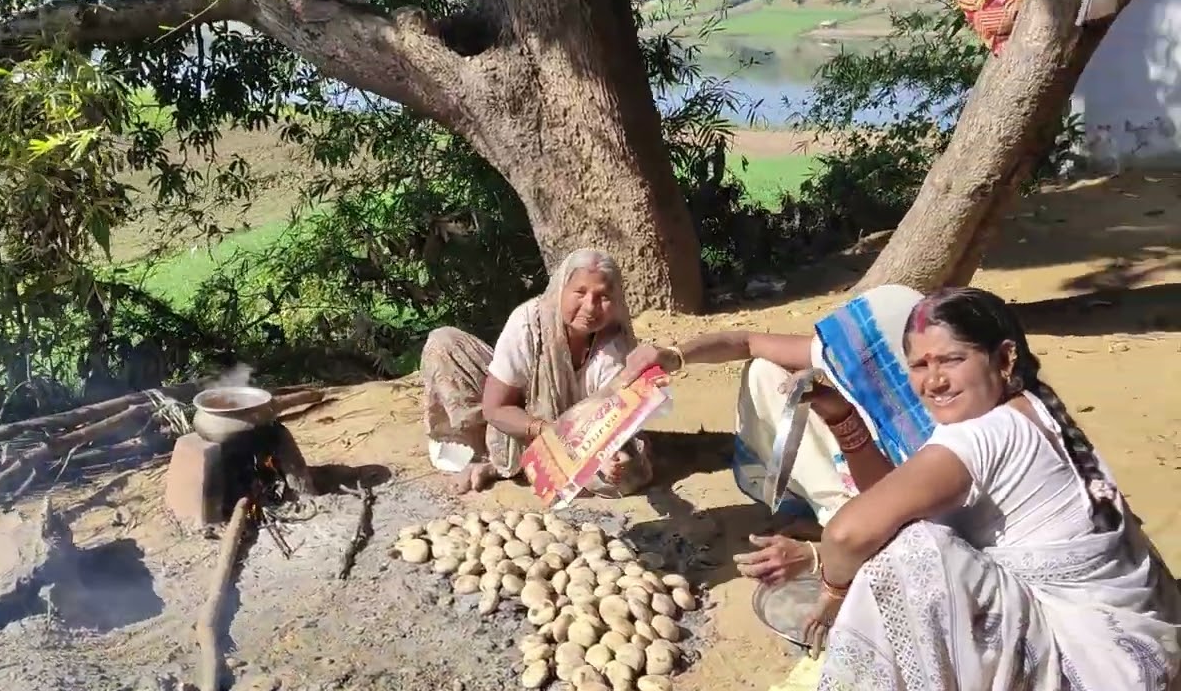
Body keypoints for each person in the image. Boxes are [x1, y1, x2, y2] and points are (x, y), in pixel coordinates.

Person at [794, 287, 1181, 685]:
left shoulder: (983, 435)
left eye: (951, 360)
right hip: (1136, 654)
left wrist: (834, 596)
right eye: (919, 365)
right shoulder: (1031, 405)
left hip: (1086, 667)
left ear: (1003, 359)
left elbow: (846, 535)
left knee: (908, 555)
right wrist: (845, 419)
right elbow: (889, 498)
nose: (934, 381)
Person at [621, 285, 930, 577]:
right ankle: (833, 511)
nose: (853, 360)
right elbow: (749, 342)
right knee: (764, 370)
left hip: (904, 512)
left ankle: (844, 528)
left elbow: (929, 538)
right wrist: (674, 356)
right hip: (863, 471)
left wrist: (816, 556)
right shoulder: (858, 357)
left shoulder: (945, 431)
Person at [419, 248, 653, 495]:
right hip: (521, 420)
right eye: (580, 293)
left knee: (624, 474)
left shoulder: (615, 343)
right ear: (561, 289)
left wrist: (608, 455)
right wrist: (549, 431)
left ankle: (526, 465)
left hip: (581, 433)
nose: (590, 307)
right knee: (444, 343)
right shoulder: (529, 325)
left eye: (603, 296)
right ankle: (491, 457)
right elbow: (495, 408)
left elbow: (613, 419)